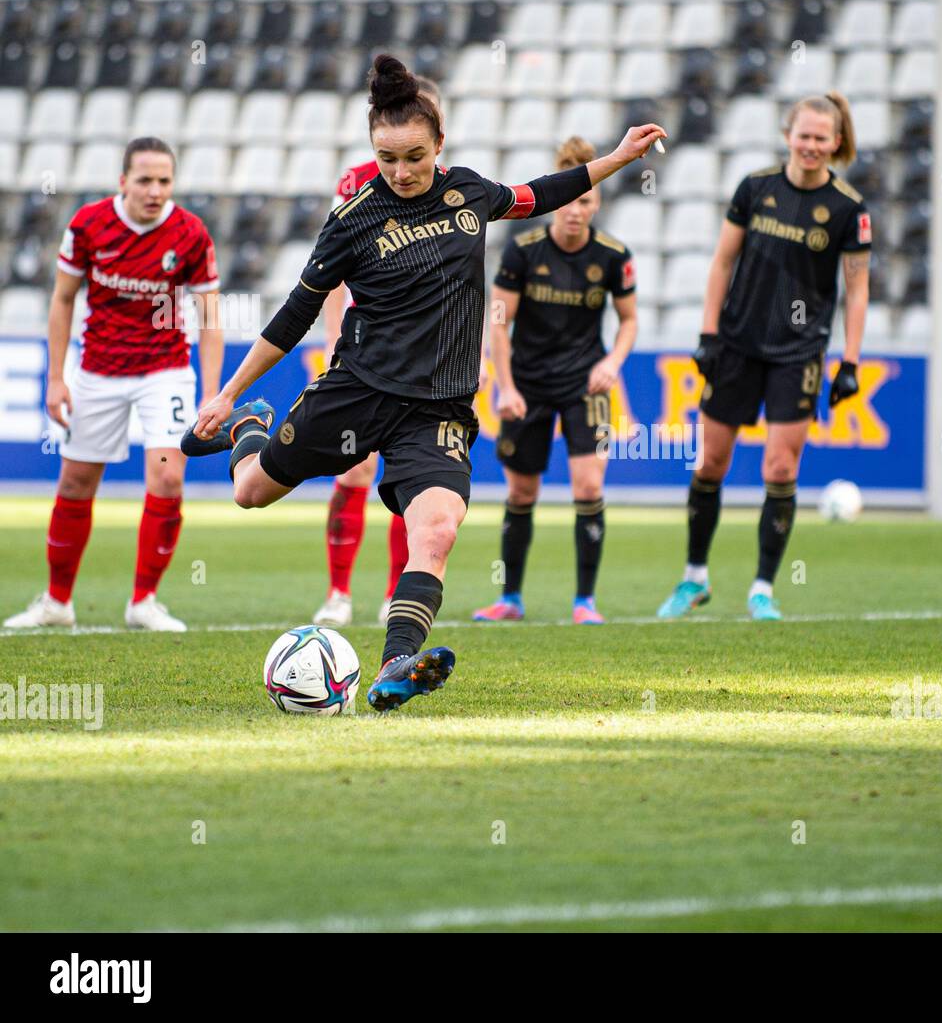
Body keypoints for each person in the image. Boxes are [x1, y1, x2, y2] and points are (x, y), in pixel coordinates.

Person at [182, 54, 665, 712]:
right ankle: (249, 428)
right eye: (387, 158)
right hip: (356, 391)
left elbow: (539, 194)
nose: (402, 171)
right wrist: (228, 395)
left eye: (414, 155)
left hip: (436, 410)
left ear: (440, 143)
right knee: (249, 491)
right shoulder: (351, 221)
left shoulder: (469, 193)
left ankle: (395, 665)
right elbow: (293, 315)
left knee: (436, 530)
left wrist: (616, 158)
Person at [656, 91, 870, 622]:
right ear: (788, 135)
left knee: (780, 467)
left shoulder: (849, 209)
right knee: (710, 462)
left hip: (798, 353)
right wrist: (708, 335)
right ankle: (694, 579)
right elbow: (722, 262)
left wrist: (851, 362)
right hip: (737, 345)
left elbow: (858, 288)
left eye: (823, 138)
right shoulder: (755, 189)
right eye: (805, 135)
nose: (812, 145)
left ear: (837, 142)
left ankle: (762, 588)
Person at [5, 137, 222, 631]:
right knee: (76, 482)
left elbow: (210, 315)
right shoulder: (88, 224)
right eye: (145, 180)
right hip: (97, 371)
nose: (155, 190)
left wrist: (212, 393)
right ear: (123, 181)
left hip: (164, 371)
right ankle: (57, 601)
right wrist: (56, 378)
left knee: (168, 476)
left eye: (165, 181)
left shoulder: (190, 233)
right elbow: (61, 301)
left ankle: (143, 600)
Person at [473, 136, 637, 625]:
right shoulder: (522, 252)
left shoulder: (612, 256)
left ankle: (585, 601)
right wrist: (506, 386)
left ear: (596, 202)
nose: (574, 209)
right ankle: (511, 599)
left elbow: (629, 320)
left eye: (585, 200)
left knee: (589, 487)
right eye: (568, 200)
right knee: (522, 493)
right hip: (528, 383)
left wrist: (614, 363)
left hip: (585, 384)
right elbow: (498, 320)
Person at [312, 76, 441, 629]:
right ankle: (339, 591)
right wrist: (333, 342)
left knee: (411, 481)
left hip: (427, 360)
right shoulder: (359, 184)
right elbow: (332, 273)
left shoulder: (455, 191)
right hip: (366, 350)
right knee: (356, 471)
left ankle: (395, 593)